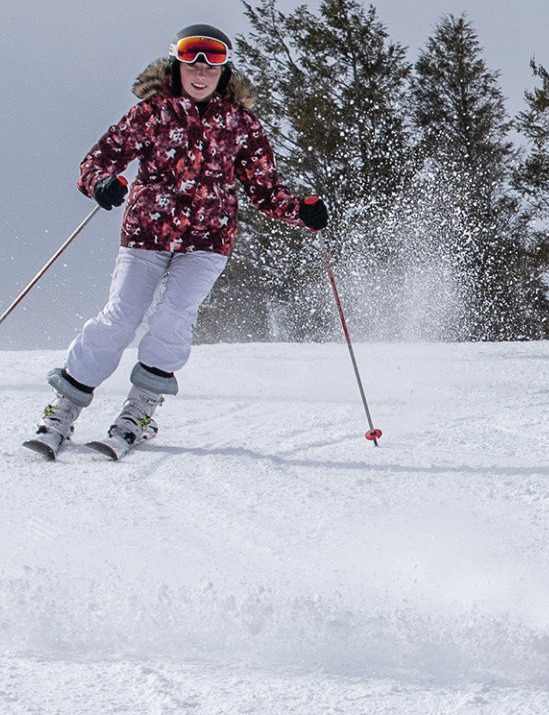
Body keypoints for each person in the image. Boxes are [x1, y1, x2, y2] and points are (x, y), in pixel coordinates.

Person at [26, 23, 328, 458]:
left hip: (208, 242)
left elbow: (264, 190)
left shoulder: (241, 125)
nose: (201, 72)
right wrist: (101, 183)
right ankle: (63, 411)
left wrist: (301, 211)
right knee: (120, 318)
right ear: (178, 64)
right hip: (146, 236)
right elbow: (97, 160)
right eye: (193, 61)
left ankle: (138, 412)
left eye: (213, 62)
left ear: (224, 70)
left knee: (173, 317)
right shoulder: (152, 113)